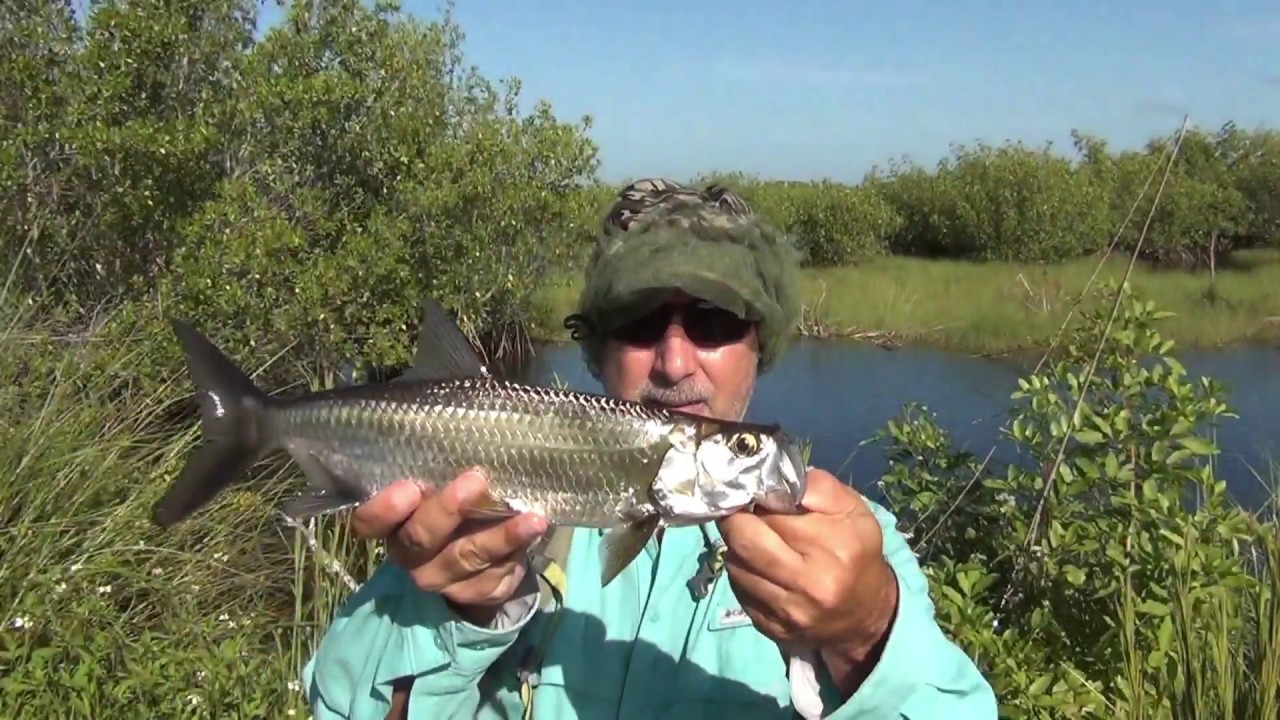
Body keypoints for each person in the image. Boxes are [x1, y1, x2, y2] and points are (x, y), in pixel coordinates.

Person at [300, 179, 998, 719]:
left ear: (760, 346)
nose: (674, 361)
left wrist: (864, 635)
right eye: (639, 323)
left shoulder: (858, 550)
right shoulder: (467, 525)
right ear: (597, 351)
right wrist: (456, 612)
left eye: (713, 322)